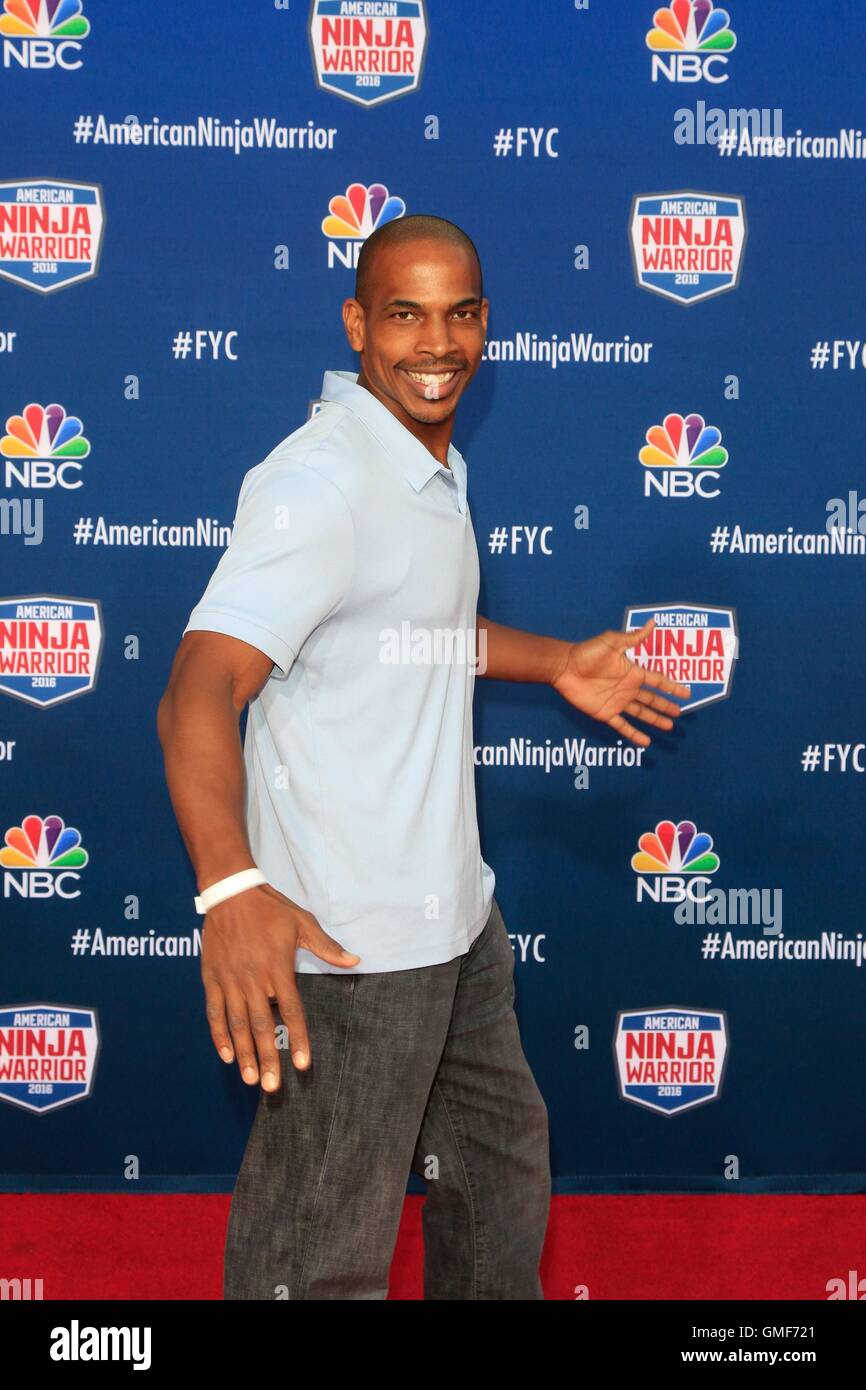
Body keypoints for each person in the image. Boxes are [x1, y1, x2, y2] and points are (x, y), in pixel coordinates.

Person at [157, 213, 690, 1301]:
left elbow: (412, 630)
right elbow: (196, 688)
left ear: (485, 324)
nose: (433, 343)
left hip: (455, 928)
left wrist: (555, 666)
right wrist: (230, 885)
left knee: (495, 1200)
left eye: (457, 314)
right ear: (358, 322)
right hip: (347, 942)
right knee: (318, 1259)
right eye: (404, 314)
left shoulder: (426, 466)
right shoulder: (323, 482)